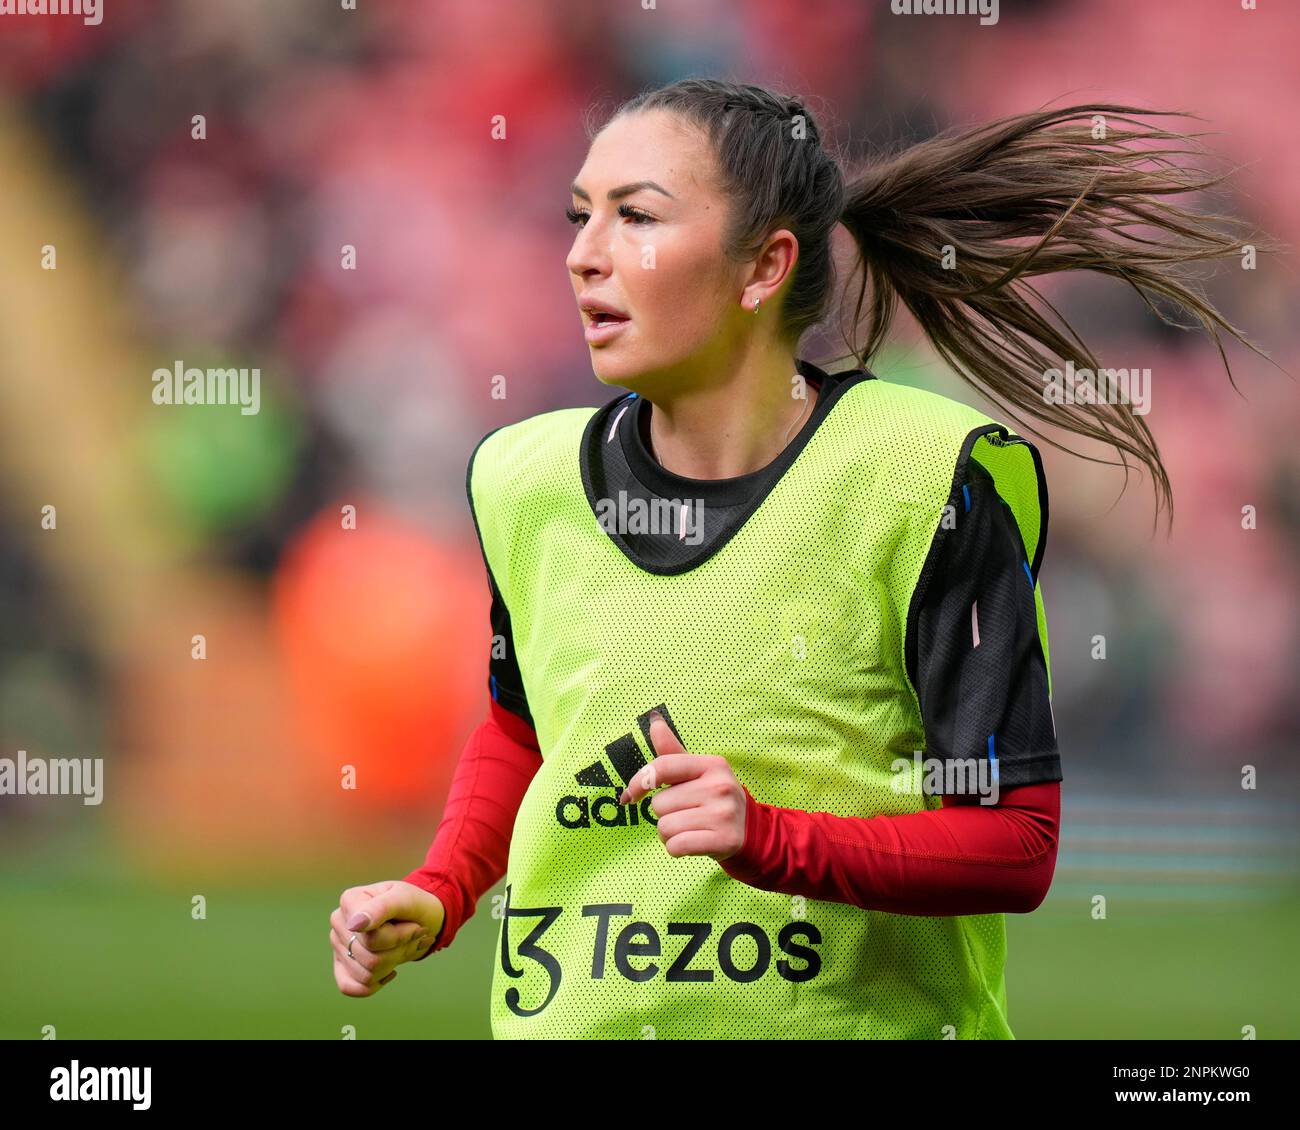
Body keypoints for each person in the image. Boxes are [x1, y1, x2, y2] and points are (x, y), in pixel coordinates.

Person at [330, 79, 1269, 1038]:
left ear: (764, 266)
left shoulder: (927, 479)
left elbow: (1016, 842)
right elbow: (526, 731)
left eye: (636, 216)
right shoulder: (523, 479)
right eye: (579, 217)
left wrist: (770, 841)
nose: (582, 255)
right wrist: (441, 889)